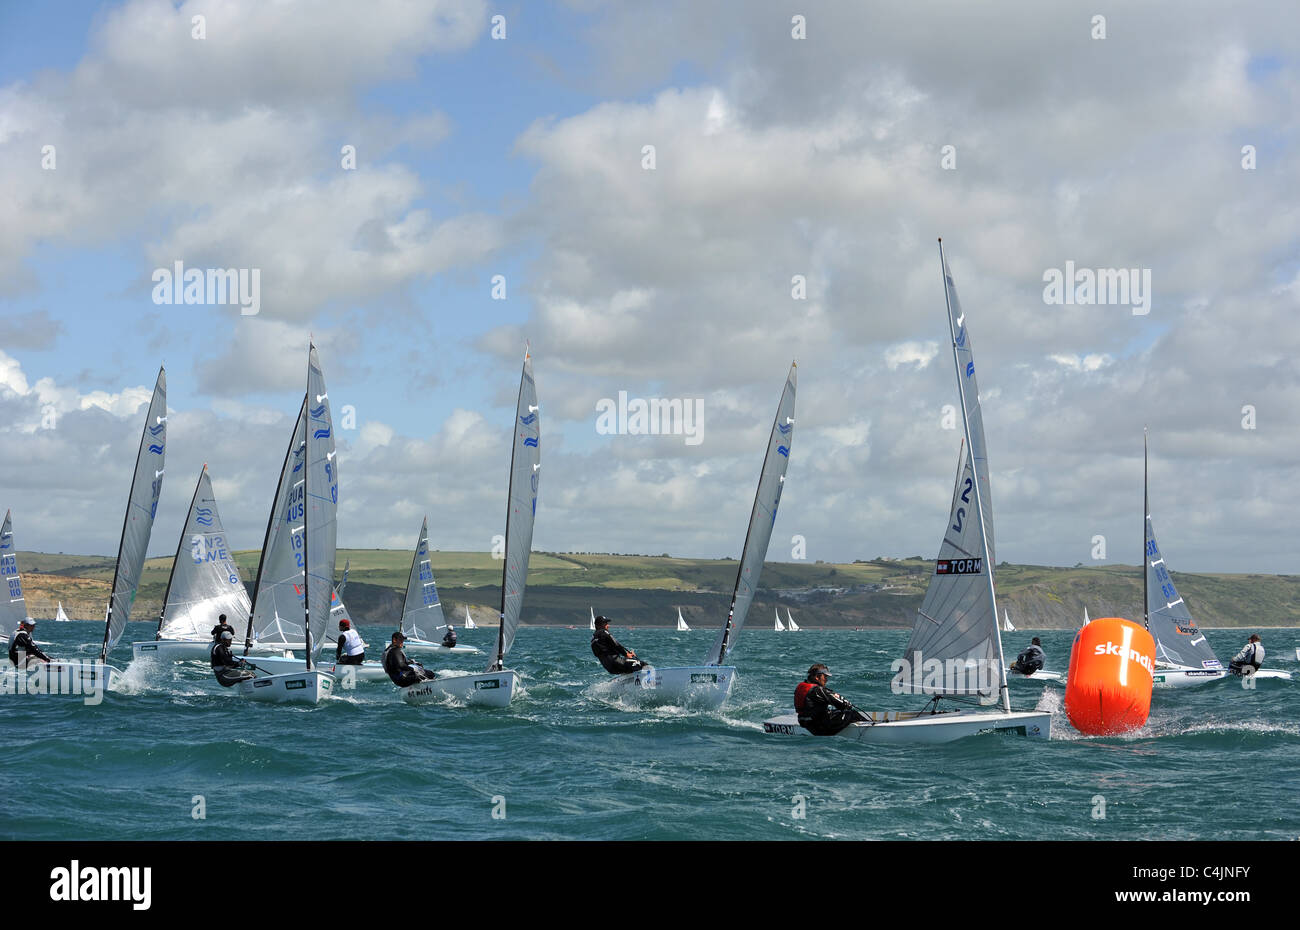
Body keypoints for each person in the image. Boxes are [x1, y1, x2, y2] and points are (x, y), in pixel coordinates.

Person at [794, 664, 866, 735]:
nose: (826, 680)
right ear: (817, 677)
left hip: (805, 723)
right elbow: (842, 704)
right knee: (851, 713)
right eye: (825, 676)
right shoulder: (818, 690)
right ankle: (868, 726)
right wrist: (847, 703)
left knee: (834, 712)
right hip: (820, 727)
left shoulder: (801, 687)